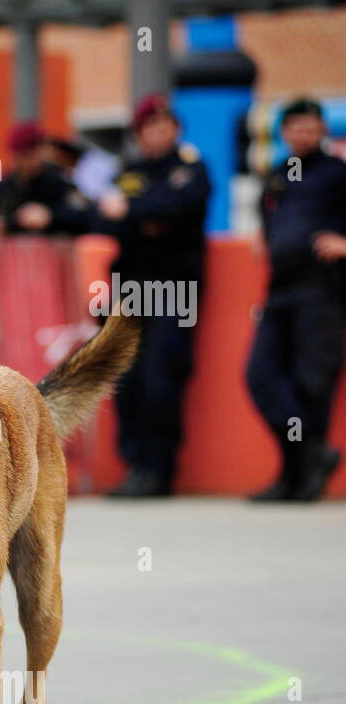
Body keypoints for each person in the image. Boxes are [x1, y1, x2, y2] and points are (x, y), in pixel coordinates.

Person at [97, 93, 211, 497]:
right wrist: (140, 216)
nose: (157, 133)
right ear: (138, 133)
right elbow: (102, 218)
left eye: (164, 125)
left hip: (173, 289)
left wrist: (132, 212)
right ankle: (136, 466)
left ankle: (160, 469)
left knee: (162, 377)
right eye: (149, 126)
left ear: (175, 129)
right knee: (128, 377)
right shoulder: (129, 171)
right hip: (130, 290)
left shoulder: (191, 169)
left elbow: (173, 209)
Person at [246, 97, 346, 501]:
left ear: (322, 130)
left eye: (311, 126)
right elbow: (269, 217)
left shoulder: (338, 173)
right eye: (296, 127)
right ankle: (311, 456)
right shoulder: (278, 174)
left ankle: (299, 479)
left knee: (312, 383)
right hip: (279, 291)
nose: (303, 134)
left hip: (321, 291)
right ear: (283, 133)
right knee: (261, 375)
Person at [0, 122, 91, 240]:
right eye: (22, 155)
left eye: (31, 154)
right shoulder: (3, 187)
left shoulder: (58, 180)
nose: (26, 162)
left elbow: (83, 216)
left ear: (42, 151)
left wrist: (50, 216)